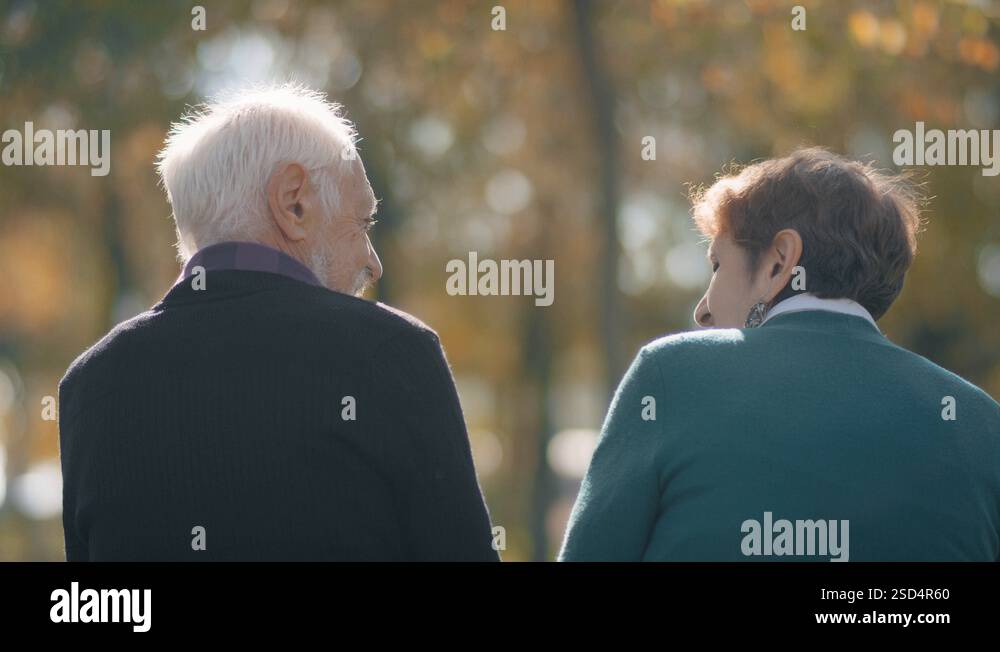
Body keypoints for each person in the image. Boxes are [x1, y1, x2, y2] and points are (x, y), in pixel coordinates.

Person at [58, 84, 498, 561]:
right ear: (293, 202)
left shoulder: (89, 385)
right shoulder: (391, 352)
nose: (374, 264)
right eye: (363, 223)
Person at [560, 148, 1000, 561]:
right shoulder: (981, 423)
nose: (702, 311)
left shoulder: (670, 376)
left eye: (717, 265)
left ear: (780, 261)